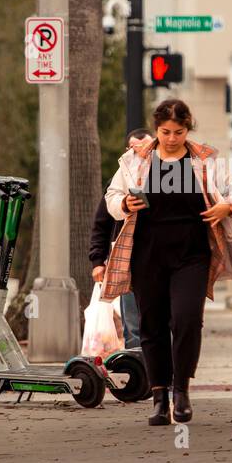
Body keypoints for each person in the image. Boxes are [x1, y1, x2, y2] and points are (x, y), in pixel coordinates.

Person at [102, 99, 232, 425]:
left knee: (185, 320)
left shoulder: (205, 160)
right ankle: (159, 397)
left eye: (178, 132)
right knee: (151, 327)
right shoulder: (136, 160)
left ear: (188, 128)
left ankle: (181, 391)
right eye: (165, 132)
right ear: (156, 129)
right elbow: (111, 198)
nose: (171, 138)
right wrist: (125, 203)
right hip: (147, 256)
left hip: (191, 255)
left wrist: (230, 207)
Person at [89, 129, 151, 348]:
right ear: (128, 151)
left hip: (160, 261)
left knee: (163, 323)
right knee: (133, 326)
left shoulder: (167, 176)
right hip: (129, 262)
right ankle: (142, 378)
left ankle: (166, 377)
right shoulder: (117, 183)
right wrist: (98, 261)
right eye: (136, 149)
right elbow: (102, 222)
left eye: (147, 147)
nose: (142, 153)